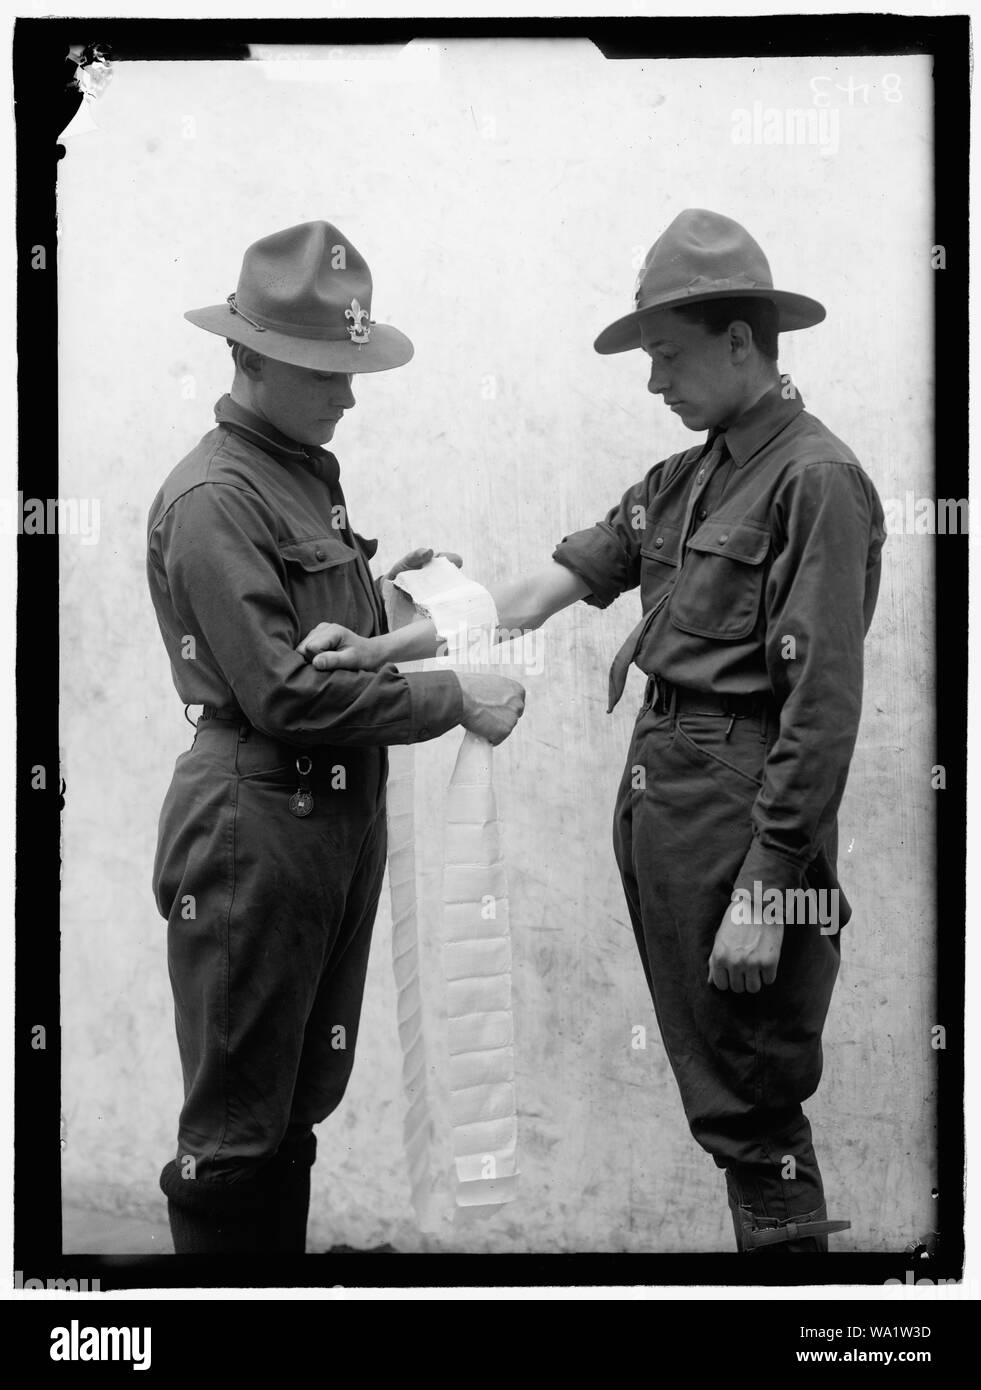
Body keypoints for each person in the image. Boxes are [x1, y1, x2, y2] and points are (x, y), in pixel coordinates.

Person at [300, 209, 887, 1253]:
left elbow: (823, 708)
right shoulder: (685, 478)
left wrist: (769, 885)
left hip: (742, 818)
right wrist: (378, 651)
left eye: (668, 355)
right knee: (724, 1092)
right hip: (669, 807)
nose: (655, 381)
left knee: (754, 1103)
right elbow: (534, 592)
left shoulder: (816, 481)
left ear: (740, 342)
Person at [146, 221, 525, 1255]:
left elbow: (324, 647)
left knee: (296, 1099)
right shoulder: (217, 495)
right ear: (252, 358)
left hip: (327, 825)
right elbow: (286, 696)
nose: (349, 394)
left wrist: (392, 596)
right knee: (234, 1127)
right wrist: (453, 695)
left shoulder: (303, 468)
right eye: (326, 372)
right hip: (256, 829)